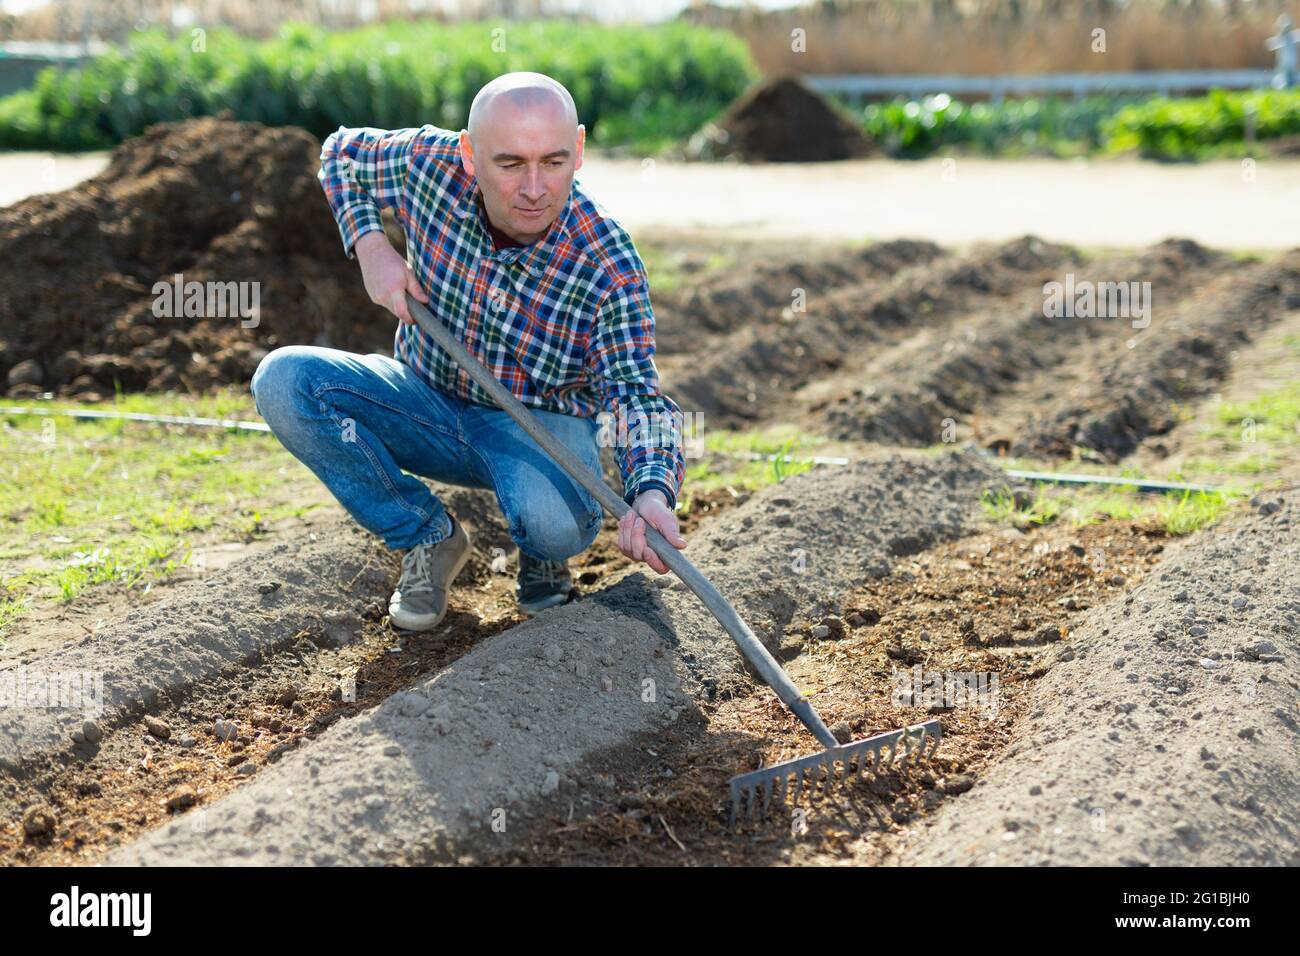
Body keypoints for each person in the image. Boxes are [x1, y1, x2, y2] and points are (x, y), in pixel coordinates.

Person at [250, 71, 687, 629]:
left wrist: (651, 491)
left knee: (553, 526)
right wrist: (371, 246)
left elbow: (635, 391)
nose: (534, 188)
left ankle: (544, 555)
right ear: (469, 154)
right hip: (425, 401)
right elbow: (341, 154)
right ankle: (429, 535)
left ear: (578, 150)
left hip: (536, 430)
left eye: (553, 162)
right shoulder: (428, 165)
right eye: (509, 164)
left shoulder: (607, 264)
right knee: (285, 381)